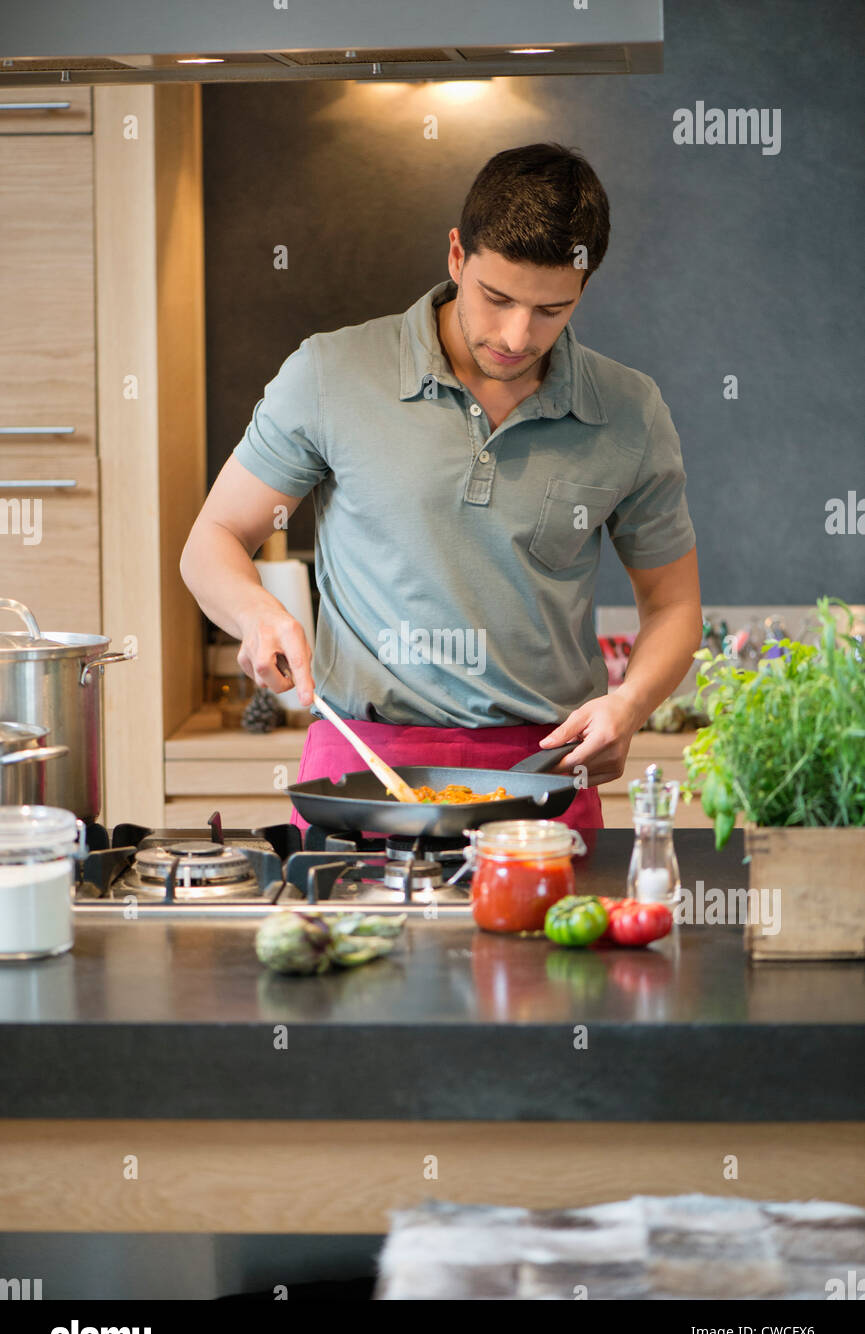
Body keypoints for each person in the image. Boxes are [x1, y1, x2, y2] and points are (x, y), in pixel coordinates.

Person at [180, 142, 702, 833]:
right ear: (457, 257)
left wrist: (631, 701)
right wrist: (255, 614)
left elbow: (671, 604)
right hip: (362, 766)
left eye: (550, 310)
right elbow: (212, 540)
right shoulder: (332, 374)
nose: (517, 336)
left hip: (541, 774)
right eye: (496, 299)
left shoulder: (629, 412)